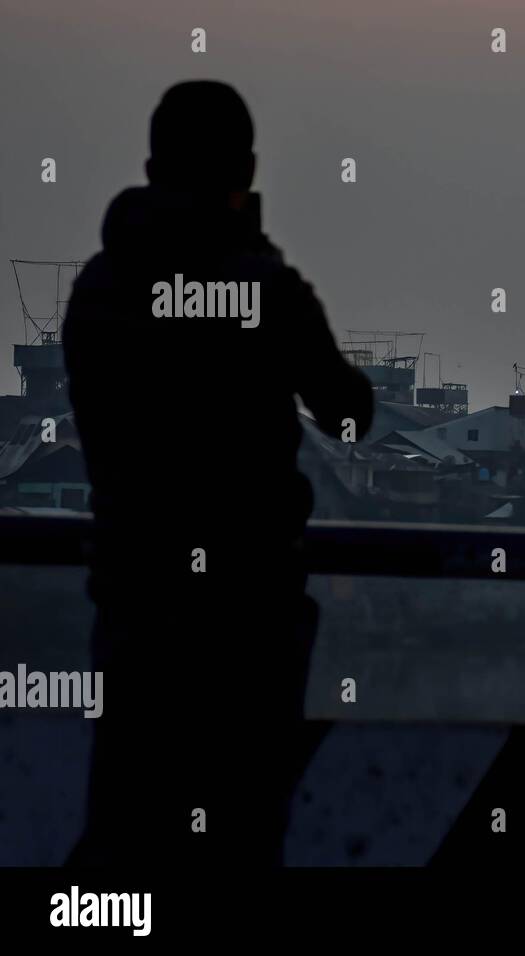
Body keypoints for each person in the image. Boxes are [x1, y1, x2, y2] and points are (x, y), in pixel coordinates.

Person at [62, 81, 374, 866]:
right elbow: (347, 413)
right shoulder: (261, 289)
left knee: (125, 826)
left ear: (150, 164)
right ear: (246, 169)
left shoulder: (97, 289)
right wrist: (263, 265)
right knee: (238, 829)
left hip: (135, 598)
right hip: (245, 610)